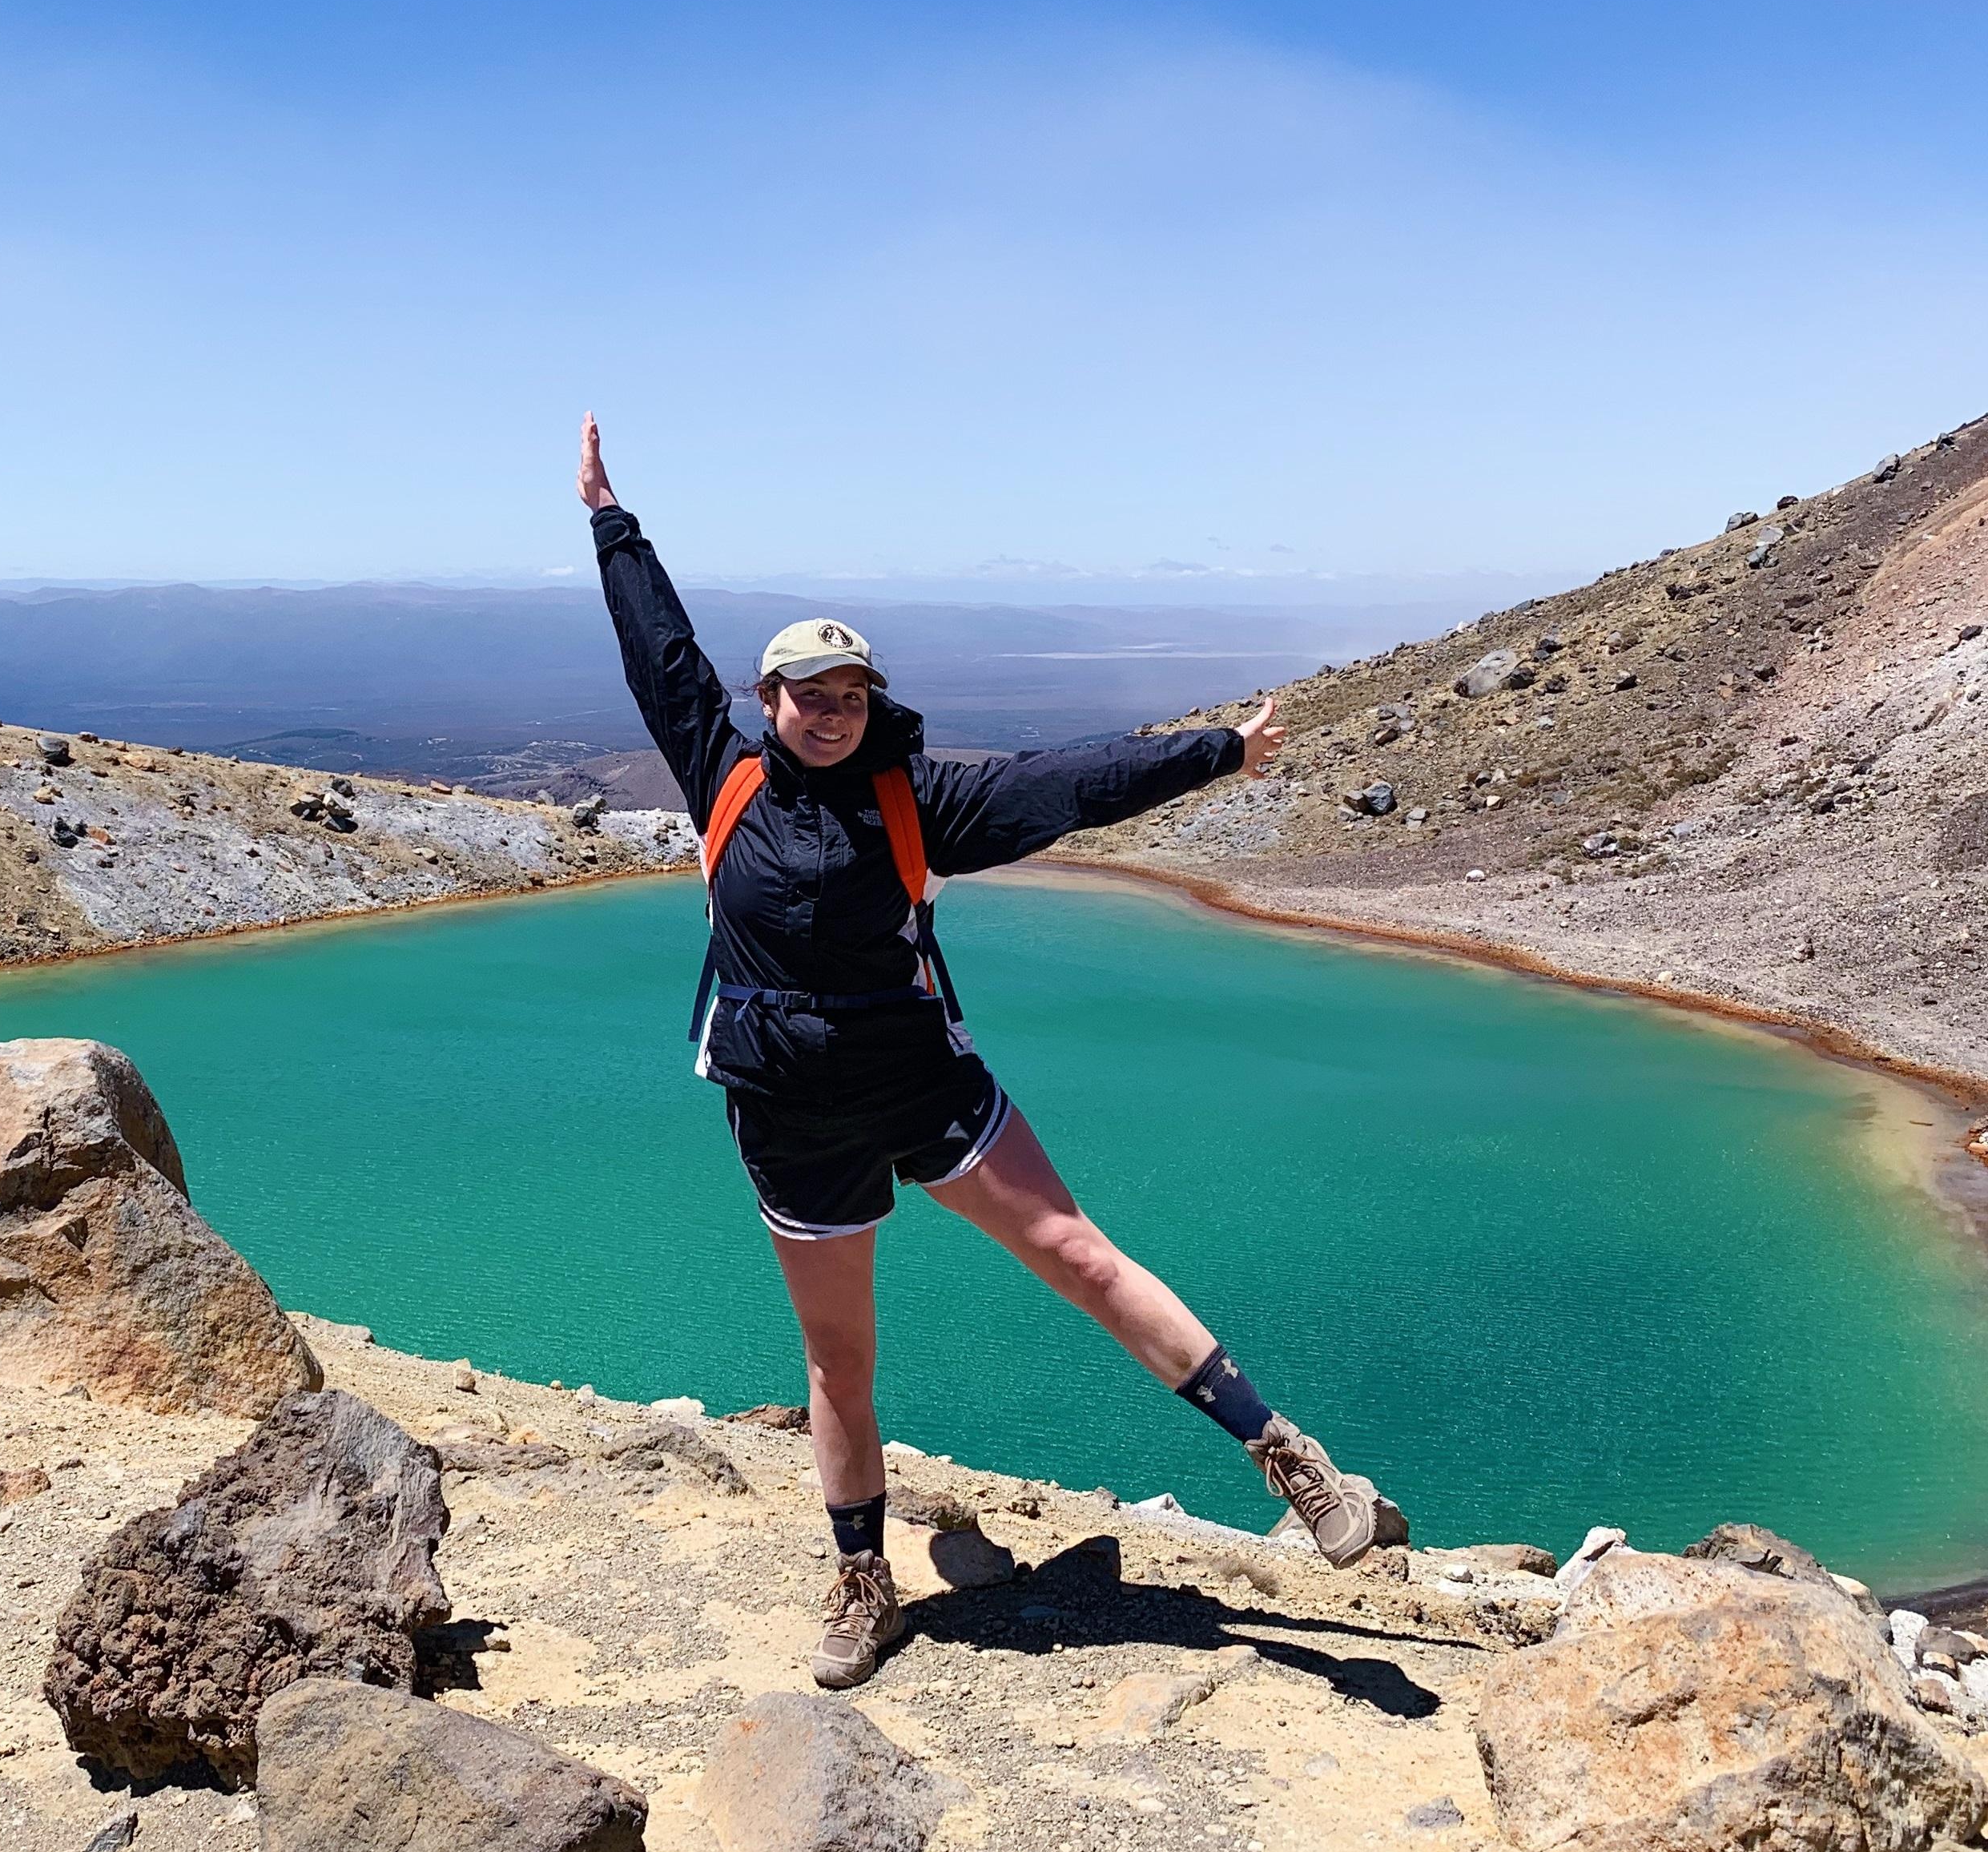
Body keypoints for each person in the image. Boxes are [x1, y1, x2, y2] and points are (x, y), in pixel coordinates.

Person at [575, 416, 1384, 1690]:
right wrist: (612, 523)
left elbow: (1068, 781)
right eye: (808, 695)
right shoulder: (719, 771)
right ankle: (860, 1578)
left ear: (869, 703)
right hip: (786, 1104)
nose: (830, 715)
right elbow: (656, 652)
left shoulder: (921, 799)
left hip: (918, 1075)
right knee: (839, 1359)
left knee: (1077, 1253)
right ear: (768, 700)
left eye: (850, 697)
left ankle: (1283, 1452)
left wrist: (1217, 752)